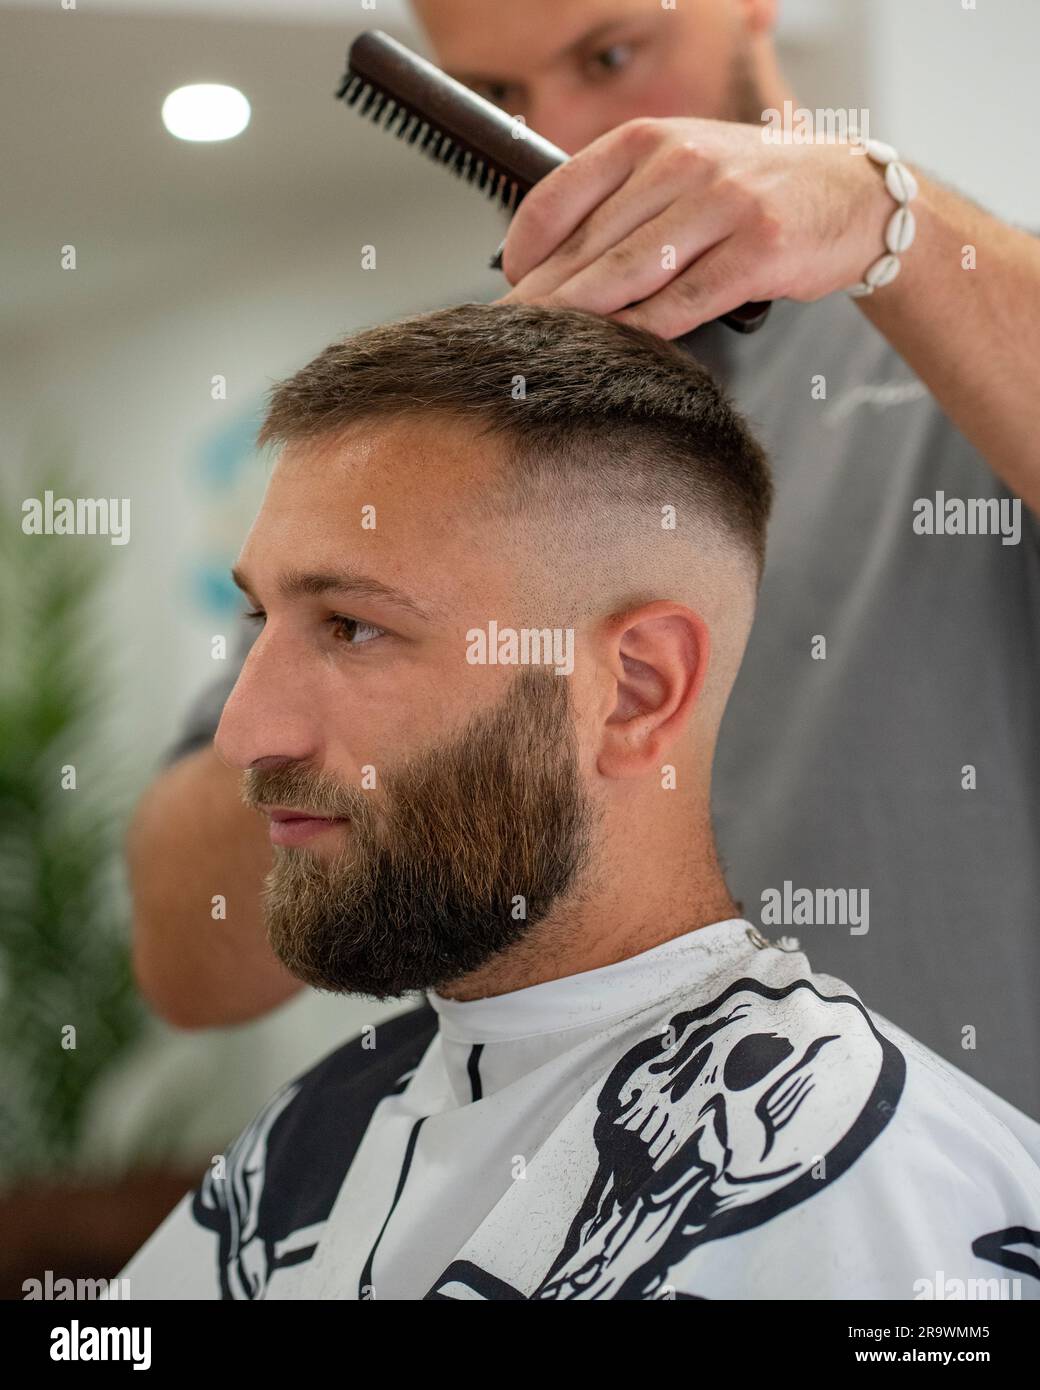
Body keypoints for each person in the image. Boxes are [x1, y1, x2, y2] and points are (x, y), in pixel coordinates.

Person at [127, 0, 1040, 1113]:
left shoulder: (966, 334)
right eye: (500, 97)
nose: (563, 142)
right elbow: (191, 964)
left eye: (608, 56)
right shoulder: (435, 426)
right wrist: (355, 652)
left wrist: (880, 214)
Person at [115, 302, 1040, 1302]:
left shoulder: (890, 1199)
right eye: (261, 615)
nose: (245, 731)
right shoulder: (306, 1151)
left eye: (350, 626)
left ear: (635, 690)